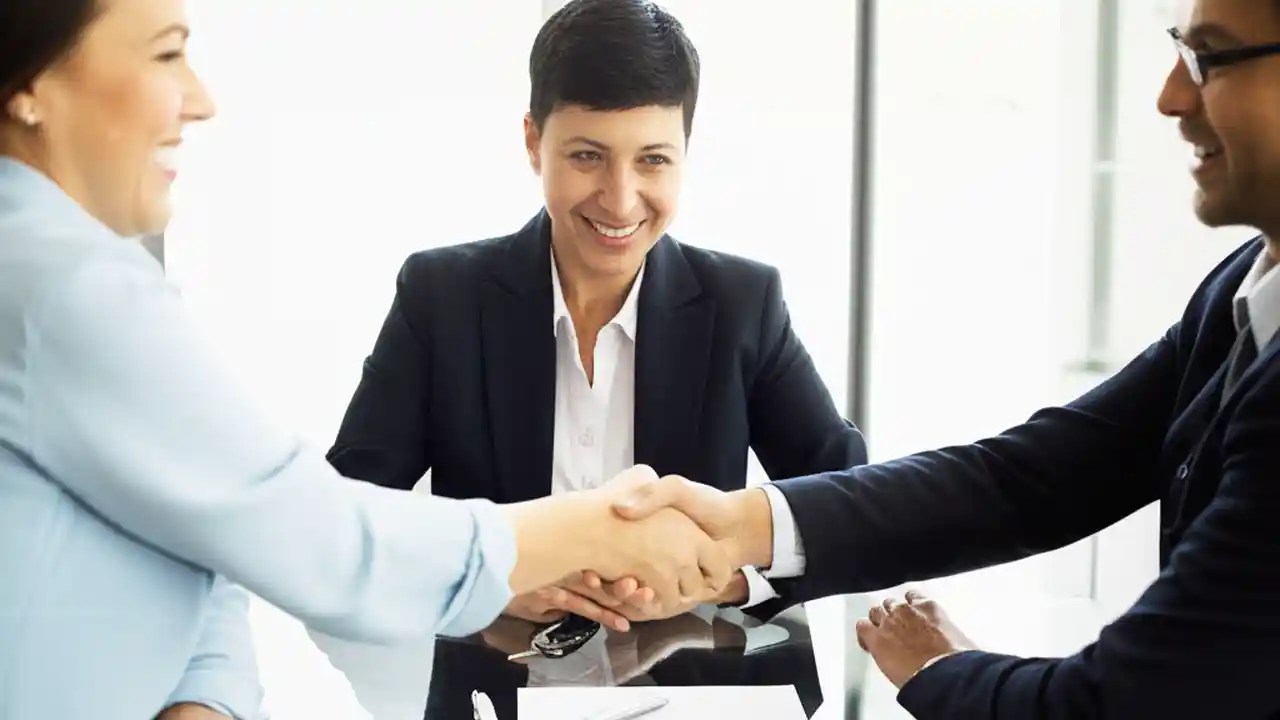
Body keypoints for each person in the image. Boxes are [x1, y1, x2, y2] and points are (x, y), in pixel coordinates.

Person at [0, 1, 736, 718]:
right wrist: (587, 532)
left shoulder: (62, 272)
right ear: (30, 85)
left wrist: (207, 698)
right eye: (166, 52)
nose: (200, 99)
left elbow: (207, 538)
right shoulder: (62, 286)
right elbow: (317, 534)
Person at [612, 0, 1280, 717]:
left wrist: (939, 667)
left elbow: (1127, 701)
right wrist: (746, 525)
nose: (1170, 96)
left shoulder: (741, 297)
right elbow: (1030, 477)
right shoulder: (1238, 292)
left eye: (1208, 57)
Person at [327, 0, 865, 632]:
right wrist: (487, 579)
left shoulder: (743, 303)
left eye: (653, 159)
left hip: (691, 678)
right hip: (490, 675)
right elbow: (349, 515)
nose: (619, 198)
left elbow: (848, 505)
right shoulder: (441, 296)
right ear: (534, 141)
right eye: (587, 156)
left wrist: (724, 577)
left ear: (685, 152)